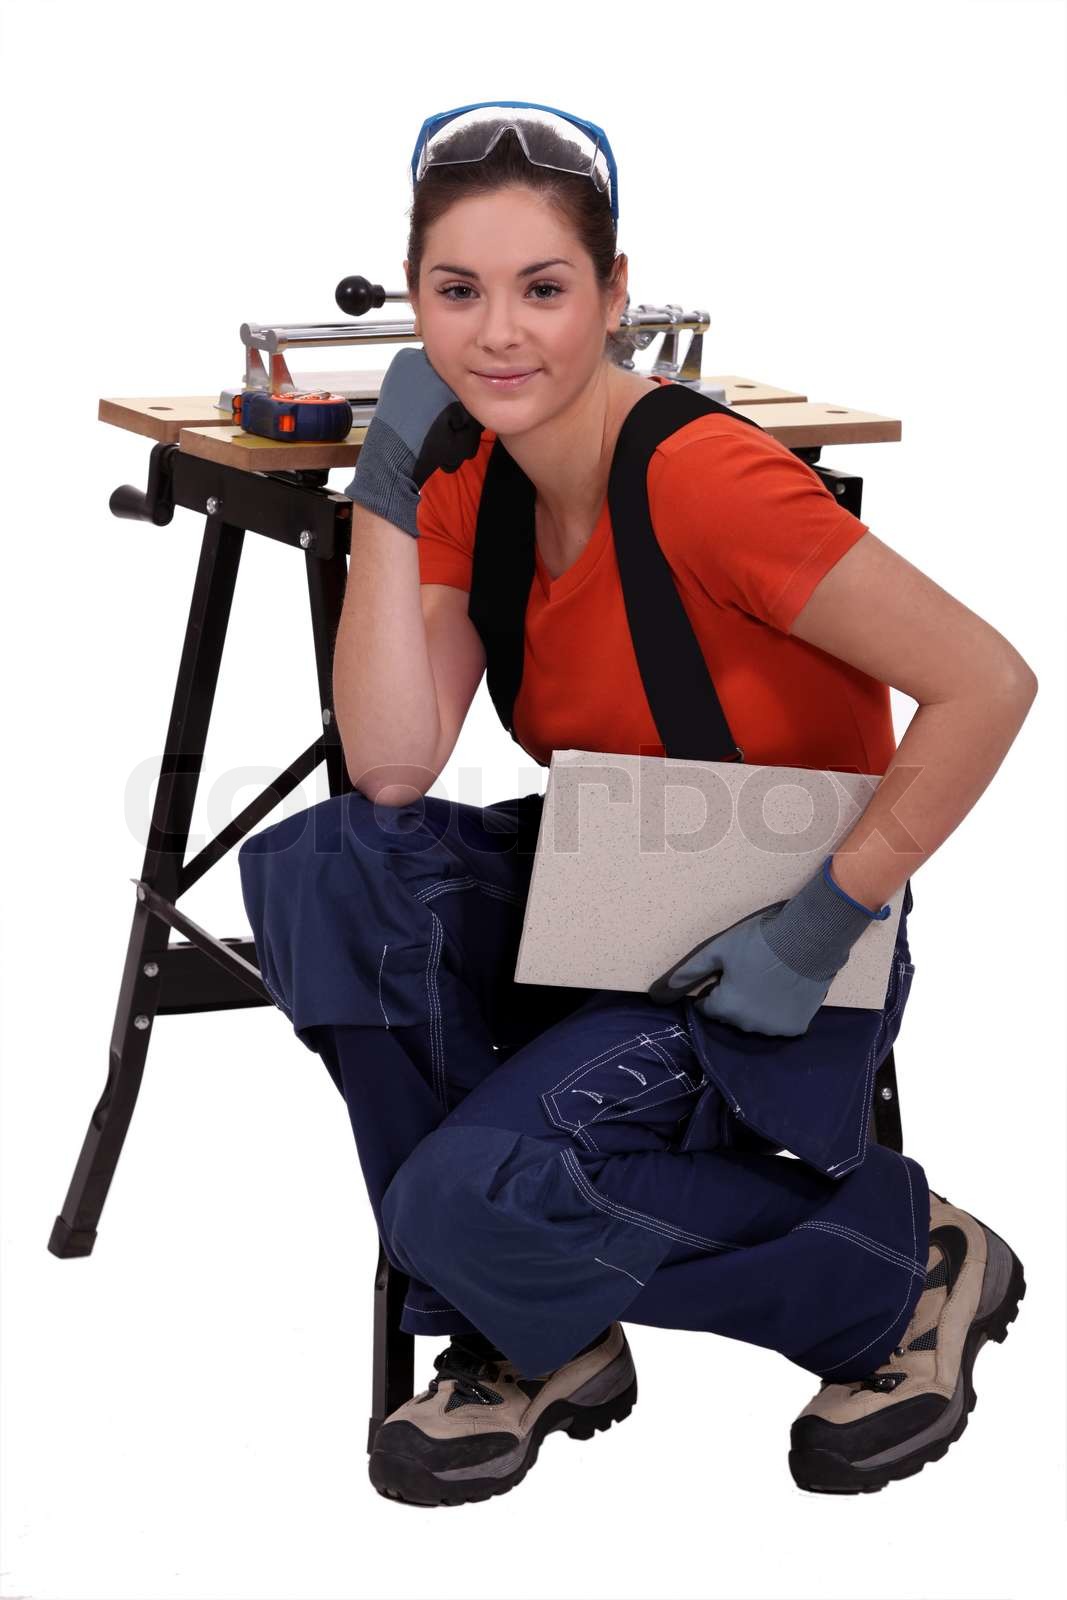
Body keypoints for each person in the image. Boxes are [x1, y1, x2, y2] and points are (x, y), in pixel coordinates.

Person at [237, 102, 1036, 1507]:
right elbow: (389, 765)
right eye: (457, 292)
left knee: (457, 1201)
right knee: (329, 864)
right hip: (611, 888)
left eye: (544, 290)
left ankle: (904, 1262)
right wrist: (381, 487)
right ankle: (542, 1319)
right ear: (411, 301)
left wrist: (822, 919)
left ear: (614, 295)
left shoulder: (706, 479)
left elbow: (989, 683)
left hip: (774, 924)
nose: (498, 336)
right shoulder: (473, 476)